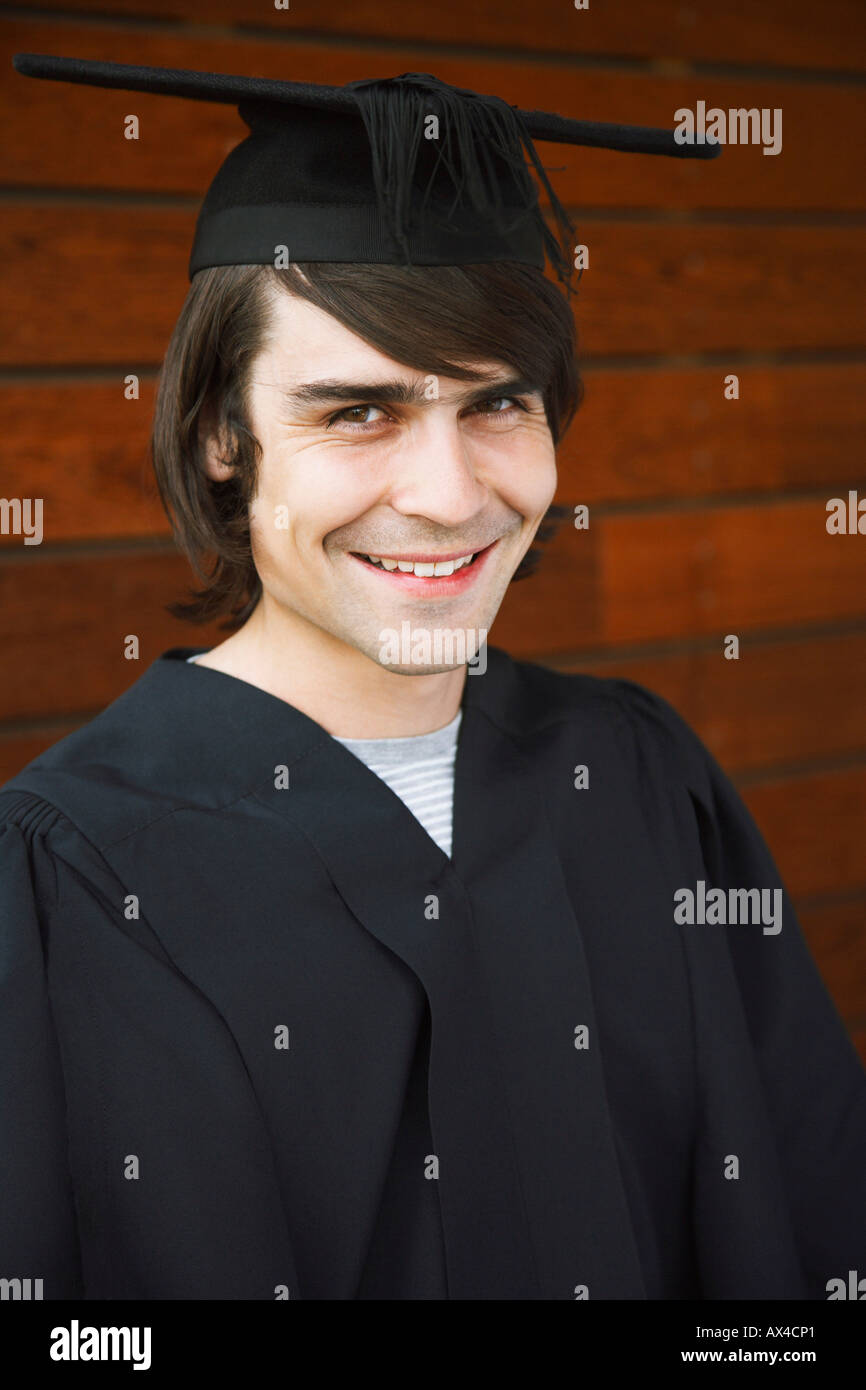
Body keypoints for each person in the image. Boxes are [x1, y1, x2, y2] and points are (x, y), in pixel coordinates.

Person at [2, 54, 864, 1301]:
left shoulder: (633, 772)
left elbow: (816, 1209)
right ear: (222, 438)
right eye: (357, 412)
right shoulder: (67, 879)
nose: (451, 495)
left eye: (496, 404)